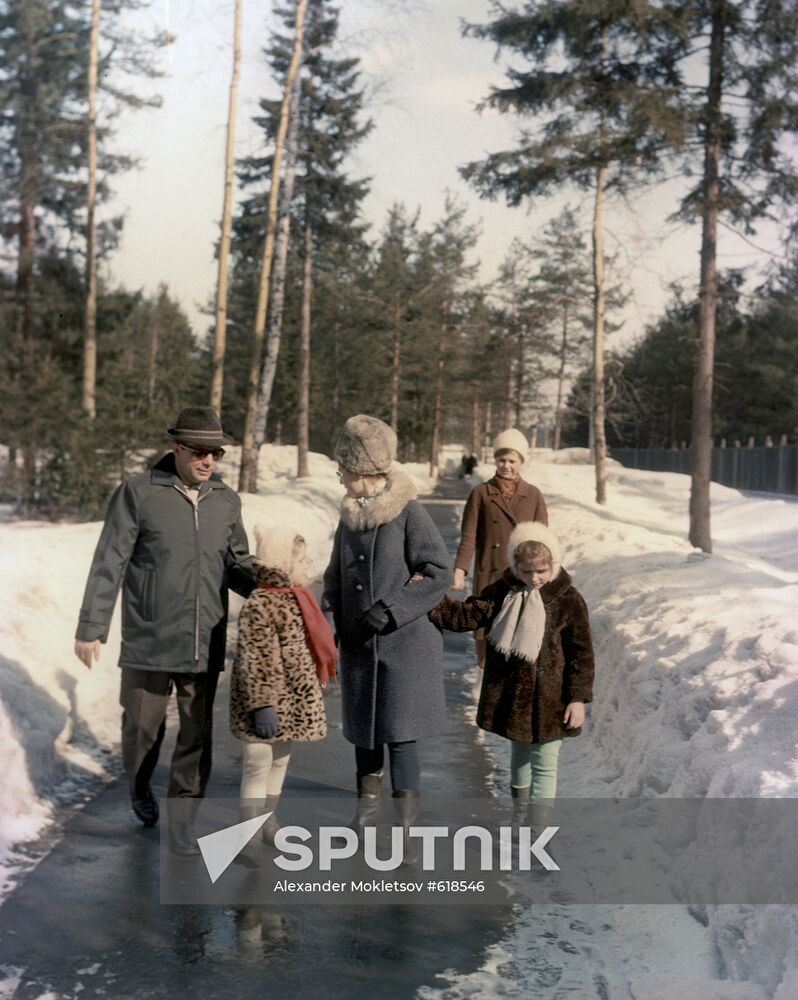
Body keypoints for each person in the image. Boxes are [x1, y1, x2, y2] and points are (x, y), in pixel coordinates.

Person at [73, 406, 255, 855]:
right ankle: (139, 788)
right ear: (175, 447)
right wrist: (91, 626)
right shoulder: (138, 493)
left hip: (203, 638)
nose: (208, 460)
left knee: (195, 736)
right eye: (199, 451)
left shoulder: (226, 501)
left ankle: (182, 820)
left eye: (216, 452)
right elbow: (109, 561)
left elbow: (238, 564)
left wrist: (269, 586)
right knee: (141, 729)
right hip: (148, 640)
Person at [322, 414, 451, 855]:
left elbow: (436, 572)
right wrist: (326, 624)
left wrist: (392, 608)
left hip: (404, 644)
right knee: (363, 730)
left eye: (343, 468)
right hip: (360, 644)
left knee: (400, 731)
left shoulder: (408, 512)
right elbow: (334, 579)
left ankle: (406, 822)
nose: (339, 475)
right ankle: (365, 811)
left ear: (363, 471)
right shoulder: (349, 517)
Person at [430, 521, 594, 829]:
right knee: (520, 753)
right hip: (514, 693)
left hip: (552, 698)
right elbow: (466, 616)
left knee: (545, 763)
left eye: (542, 571)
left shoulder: (568, 598)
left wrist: (578, 698)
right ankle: (521, 816)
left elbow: (582, 653)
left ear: (554, 564)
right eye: (527, 571)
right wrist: (429, 595)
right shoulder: (501, 592)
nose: (535, 579)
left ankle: (539, 830)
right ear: (514, 566)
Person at [230, 524, 333, 861]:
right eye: (302, 561)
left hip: (291, 703)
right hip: (263, 705)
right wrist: (262, 705)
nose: (307, 567)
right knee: (257, 764)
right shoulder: (262, 602)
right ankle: (248, 836)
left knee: (281, 759)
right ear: (282, 564)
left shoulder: (296, 597)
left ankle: (267, 819)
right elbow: (256, 659)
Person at [452, 428, 548, 669]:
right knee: (488, 646)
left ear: (521, 462)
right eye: (501, 460)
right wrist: (460, 569)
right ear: (495, 460)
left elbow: (544, 541)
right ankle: (485, 694)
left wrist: (545, 575)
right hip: (489, 577)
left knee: (519, 644)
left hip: (522, 578)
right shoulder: (481, 493)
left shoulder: (534, 495)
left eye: (512, 461)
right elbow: (469, 535)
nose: (506, 466)